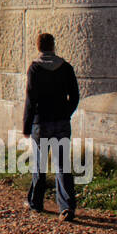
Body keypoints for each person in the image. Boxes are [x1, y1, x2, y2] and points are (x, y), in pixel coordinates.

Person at [23, 32, 80, 221]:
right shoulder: (66, 68)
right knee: (62, 165)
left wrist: (26, 125)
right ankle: (66, 207)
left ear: (38, 47)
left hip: (41, 123)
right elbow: (75, 96)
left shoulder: (35, 69)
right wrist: (66, 113)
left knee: (39, 165)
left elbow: (30, 100)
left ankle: (36, 203)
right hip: (61, 122)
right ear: (53, 46)